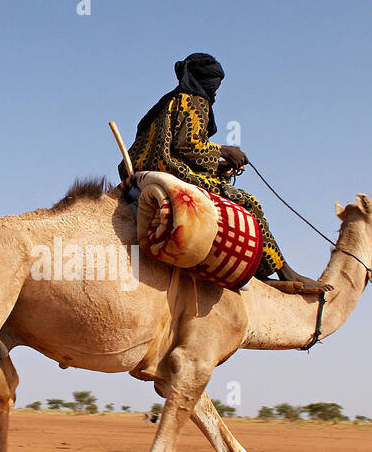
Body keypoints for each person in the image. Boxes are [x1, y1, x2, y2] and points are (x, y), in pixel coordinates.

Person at [122, 52, 326, 288]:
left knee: (223, 187)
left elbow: (180, 148)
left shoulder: (172, 100)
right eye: (214, 85)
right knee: (249, 202)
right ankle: (284, 271)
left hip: (153, 168)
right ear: (204, 82)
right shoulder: (195, 100)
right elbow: (188, 144)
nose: (216, 91)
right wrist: (225, 151)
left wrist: (218, 167)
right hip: (171, 170)